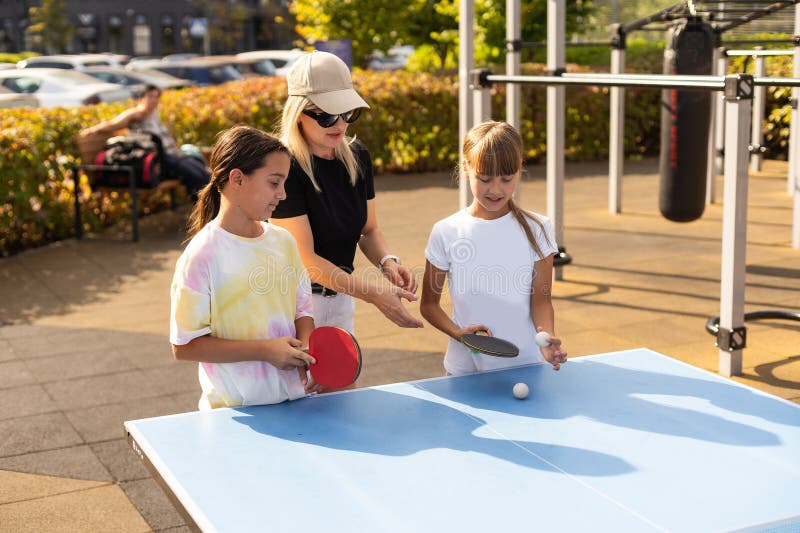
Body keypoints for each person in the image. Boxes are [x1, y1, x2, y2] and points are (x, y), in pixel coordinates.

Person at [270, 51, 423, 332]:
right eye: (327, 116)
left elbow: (369, 230)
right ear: (298, 113)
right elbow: (307, 261)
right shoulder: (283, 166)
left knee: (344, 377)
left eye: (348, 112)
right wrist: (376, 295)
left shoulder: (357, 156)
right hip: (291, 306)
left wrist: (387, 262)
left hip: (341, 300)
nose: (340, 123)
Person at [169, 126, 319, 410]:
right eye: (274, 183)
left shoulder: (283, 241)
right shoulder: (201, 255)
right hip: (235, 412)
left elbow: (303, 310)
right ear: (237, 179)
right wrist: (265, 351)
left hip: (295, 399)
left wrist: (309, 351)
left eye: (284, 183)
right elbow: (184, 346)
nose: (283, 194)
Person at [420, 121, 567, 375]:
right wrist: (459, 334)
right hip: (464, 371)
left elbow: (541, 300)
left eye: (507, 179)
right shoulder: (446, 231)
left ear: (519, 171)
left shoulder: (539, 228)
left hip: (525, 365)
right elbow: (429, 305)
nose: (496, 189)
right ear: (466, 169)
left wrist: (548, 339)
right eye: (485, 179)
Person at [83, 84, 210, 200]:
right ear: (142, 98)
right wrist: (93, 130)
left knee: (202, 172)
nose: (153, 100)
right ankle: (204, 211)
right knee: (196, 176)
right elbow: (113, 124)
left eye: (156, 97)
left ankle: (207, 207)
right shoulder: (136, 114)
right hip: (159, 160)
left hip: (172, 155)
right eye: (150, 96)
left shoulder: (154, 114)